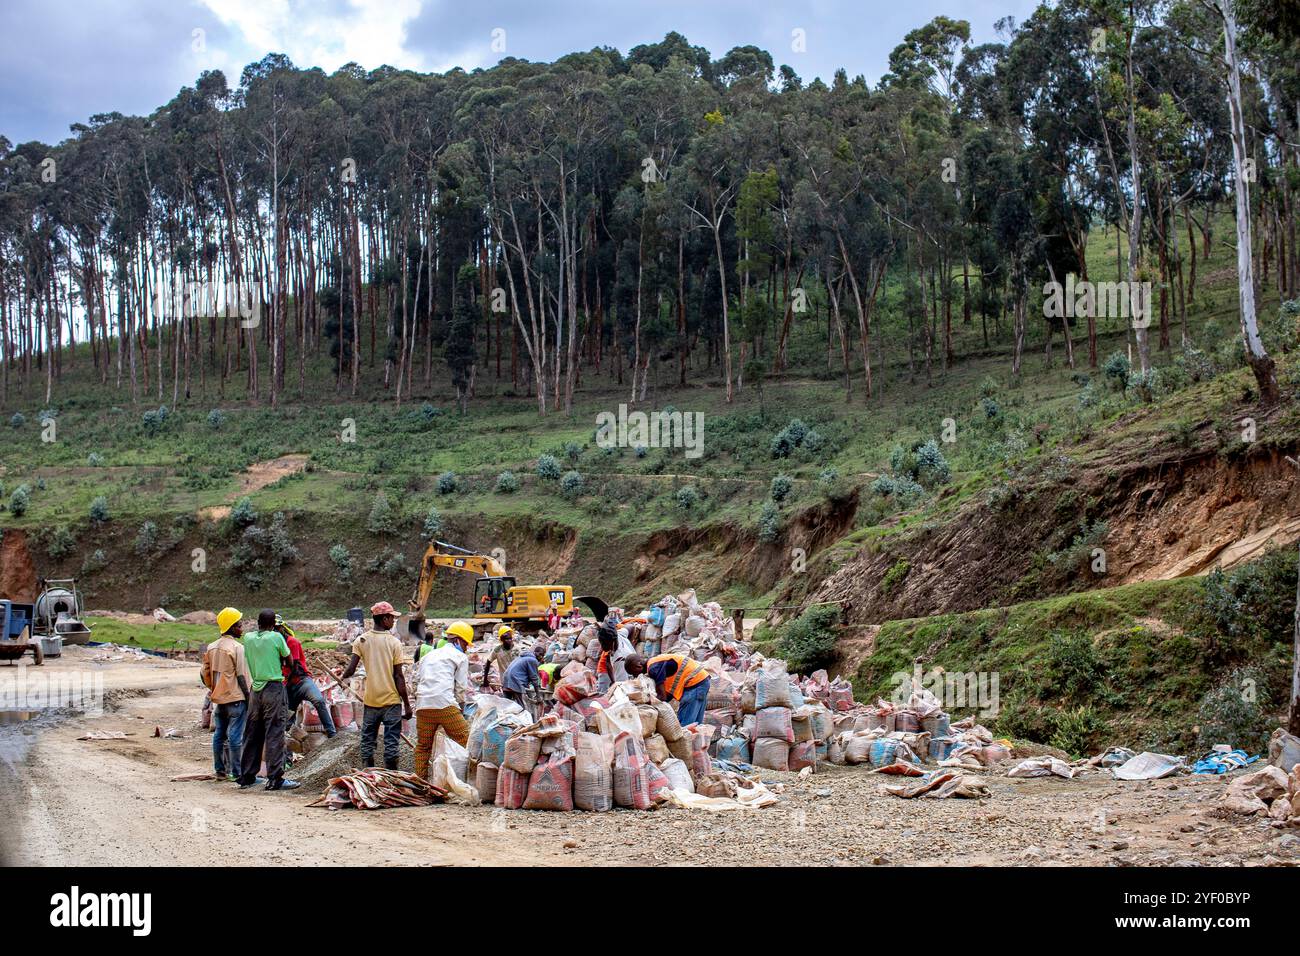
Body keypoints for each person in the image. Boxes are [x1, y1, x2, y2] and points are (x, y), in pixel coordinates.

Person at [337, 601, 411, 770]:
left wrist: (342, 679)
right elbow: (398, 676)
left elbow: (350, 669)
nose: (393, 621)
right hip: (391, 701)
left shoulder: (361, 640)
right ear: (384, 619)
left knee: (367, 741)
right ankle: (391, 779)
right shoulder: (394, 643)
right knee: (391, 742)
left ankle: (368, 776)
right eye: (392, 618)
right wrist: (406, 704)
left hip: (371, 702)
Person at [237, 608, 300, 791]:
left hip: (255, 689)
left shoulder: (248, 638)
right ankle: (275, 779)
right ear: (273, 624)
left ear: (258, 623)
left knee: (252, 733)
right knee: (274, 733)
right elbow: (290, 661)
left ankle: (247, 776)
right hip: (273, 688)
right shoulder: (276, 637)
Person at [412, 621, 473, 779]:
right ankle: (467, 779)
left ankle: (420, 783)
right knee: (466, 740)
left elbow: (416, 680)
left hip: (423, 706)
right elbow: (460, 689)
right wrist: (461, 711)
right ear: (459, 640)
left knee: (423, 747)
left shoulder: (429, 656)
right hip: (445, 705)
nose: (466, 648)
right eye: (466, 644)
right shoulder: (460, 657)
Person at [201, 607, 251, 781]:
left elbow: (204, 674)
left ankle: (220, 771)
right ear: (231, 627)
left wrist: (213, 688)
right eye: (239, 625)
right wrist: (249, 697)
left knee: (219, 735)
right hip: (236, 698)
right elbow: (242, 676)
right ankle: (237, 773)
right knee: (236, 737)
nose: (241, 628)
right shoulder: (238, 648)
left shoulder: (211, 647)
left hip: (219, 699)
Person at [277, 614, 336, 738]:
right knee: (288, 716)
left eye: (277, 628)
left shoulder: (292, 642)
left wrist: (282, 683)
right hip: (287, 685)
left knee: (319, 701)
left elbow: (293, 666)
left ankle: (332, 734)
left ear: (282, 628)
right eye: (273, 629)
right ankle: (289, 744)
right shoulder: (273, 645)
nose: (275, 632)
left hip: (301, 681)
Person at [642, 652, 712, 727]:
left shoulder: (653, 668)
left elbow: (663, 697)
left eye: (634, 673)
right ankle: (697, 738)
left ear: (638, 666)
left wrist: (647, 703)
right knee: (696, 725)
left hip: (695, 683)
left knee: (685, 726)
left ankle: (689, 738)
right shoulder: (656, 662)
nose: (635, 676)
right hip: (702, 681)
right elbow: (667, 695)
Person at [594, 622, 635, 694]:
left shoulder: (619, 659)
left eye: (604, 644)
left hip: (625, 673)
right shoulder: (619, 635)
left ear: (612, 642)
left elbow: (621, 689)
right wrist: (630, 643)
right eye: (601, 643)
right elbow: (631, 626)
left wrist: (615, 684)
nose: (602, 647)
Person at [483, 625, 517, 690]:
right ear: (502, 639)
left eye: (510, 638)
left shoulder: (516, 649)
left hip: (516, 680)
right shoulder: (497, 650)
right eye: (507, 639)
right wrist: (485, 679)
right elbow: (488, 662)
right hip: (505, 681)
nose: (509, 640)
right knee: (507, 699)